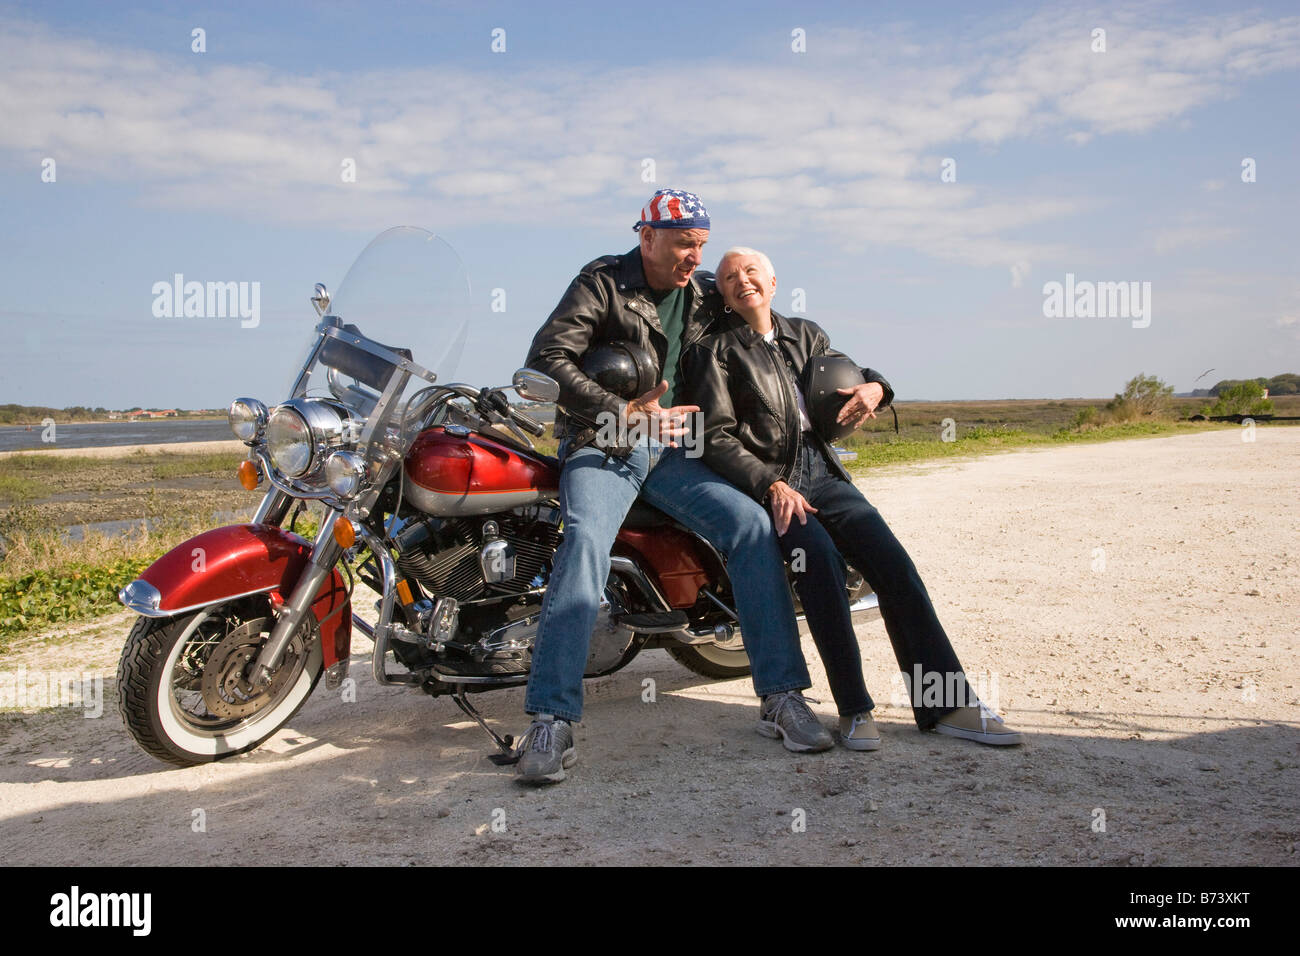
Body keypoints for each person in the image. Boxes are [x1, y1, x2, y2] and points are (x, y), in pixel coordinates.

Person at [514, 191, 833, 785]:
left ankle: (783, 696)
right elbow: (548, 358)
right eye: (685, 243)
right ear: (648, 237)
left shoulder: (707, 291)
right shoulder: (603, 282)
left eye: (702, 245)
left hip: (674, 452)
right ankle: (552, 720)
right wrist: (623, 411)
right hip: (604, 440)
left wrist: (861, 381)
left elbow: (776, 332)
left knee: (749, 525)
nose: (695, 258)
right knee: (584, 541)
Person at [681, 246, 1023, 748]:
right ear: (724, 294)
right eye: (730, 276)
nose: (741, 280)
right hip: (773, 483)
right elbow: (713, 434)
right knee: (818, 567)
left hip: (824, 474)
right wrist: (768, 485)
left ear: (773, 282)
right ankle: (855, 710)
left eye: (752, 271)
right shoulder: (714, 351)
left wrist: (878, 387)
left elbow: (850, 375)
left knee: (895, 567)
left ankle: (950, 706)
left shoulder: (806, 334)